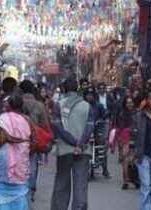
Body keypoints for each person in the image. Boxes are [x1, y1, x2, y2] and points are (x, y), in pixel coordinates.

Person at [50, 78, 95, 210]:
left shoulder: (59, 105)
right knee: (80, 184)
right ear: (78, 88)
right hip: (83, 150)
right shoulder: (87, 106)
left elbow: (58, 128)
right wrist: (80, 144)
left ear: (63, 89)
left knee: (62, 183)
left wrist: (73, 142)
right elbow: (90, 127)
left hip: (65, 150)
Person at [0, 93, 32, 210]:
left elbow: (0, 139)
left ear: (10, 106)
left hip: (5, 158)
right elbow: (33, 138)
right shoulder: (26, 119)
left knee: (1, 190)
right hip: (22, 157)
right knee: (21, 191)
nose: (3, 108)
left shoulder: (3, 118)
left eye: (5, 106)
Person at [20, 80, 51, 201]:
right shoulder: (39, 105)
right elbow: (45, 124)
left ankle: (20, 189)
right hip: (34, 139)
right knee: (33, 165)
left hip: (18, 139)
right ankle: (30, 190)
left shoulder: (17, 102)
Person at [83, 86, 109, 179]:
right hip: (85, 131)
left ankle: (105, 169)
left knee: (102, 148)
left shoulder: (99, 106)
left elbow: (104, 115)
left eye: (91, 95)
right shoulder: (81, 105)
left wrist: (101, 120)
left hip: (97, 129)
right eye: (88, 95)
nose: (90, 97)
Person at [112, 95, 137, 189]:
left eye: (131, 102)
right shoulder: (122, 114)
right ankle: (125, 181)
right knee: (125, 161)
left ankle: (135, 179)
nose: (129, 104)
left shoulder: (138, 114)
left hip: (136, 139)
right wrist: (113, 143)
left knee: (134, 160)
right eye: (127, 103)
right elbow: (118, 129)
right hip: (125, 140)